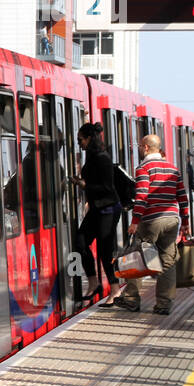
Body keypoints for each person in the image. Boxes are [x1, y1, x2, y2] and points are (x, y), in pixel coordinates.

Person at [113, 134, 189, 315]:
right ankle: (164, 304)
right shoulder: (173, 168)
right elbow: (183, 198)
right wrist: (185, 222)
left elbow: (142, 197)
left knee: (135, 256)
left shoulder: (143, 168)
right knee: (168, 261)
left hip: (151, 220)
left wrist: (134, 221)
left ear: (146, 147)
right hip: (172, 219)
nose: (139, 149)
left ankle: (131, 299)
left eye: (140, 146)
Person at [73, 123, 121, 305]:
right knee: (80, 242)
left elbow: (107, 187)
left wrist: (85, 185)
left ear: (89, 138)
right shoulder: (92, 156)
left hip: (108, 208)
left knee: (104, 250)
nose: (79, 144)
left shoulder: (102, 158)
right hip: (97, 208)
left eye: (81, 140)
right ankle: (94, 282)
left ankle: (115, 289)